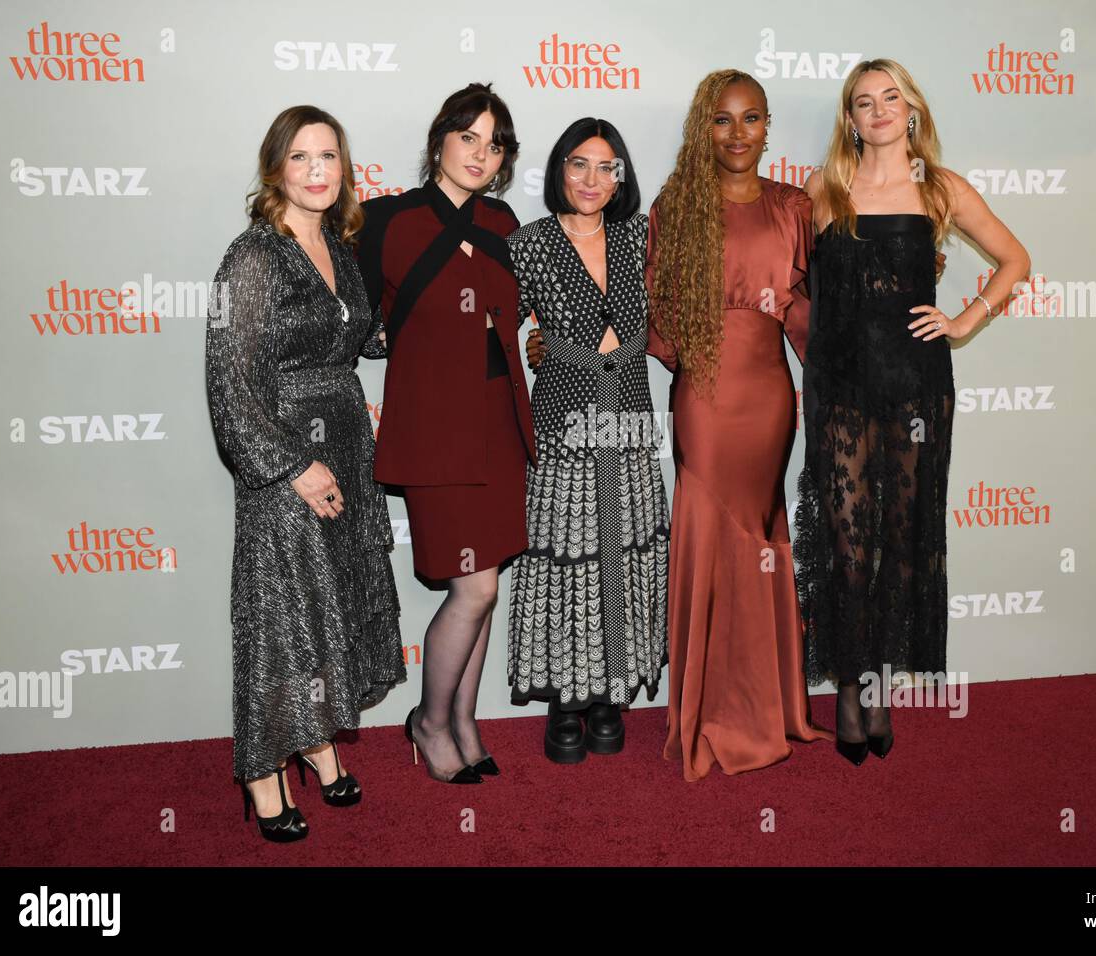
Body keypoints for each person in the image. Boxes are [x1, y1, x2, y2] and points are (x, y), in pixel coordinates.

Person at [794, 58, 1030, 764]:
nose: (879, 110)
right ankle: (848, 690)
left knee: (900, 543)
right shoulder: (824, 189)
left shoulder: (942, 189)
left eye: (891, 97)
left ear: (912, 108)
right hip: (838, 386)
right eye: (863, 102)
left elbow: (1015, 259)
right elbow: (794, 280)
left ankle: (880, 688)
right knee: (848, 547)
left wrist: (966, 317)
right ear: (850, 119)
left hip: (915, 387)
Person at [205, 105, 406, 841]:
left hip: (348, 447)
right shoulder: (254, 257)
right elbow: (230, 386)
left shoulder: (342, 249)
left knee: (326, 606)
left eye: (331, 157)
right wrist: (293, 465)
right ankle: (262, 771)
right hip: (285, 460)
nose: (319, 171)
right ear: (275, 169)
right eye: (302, 157)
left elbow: (361, 335)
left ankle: (317, 743)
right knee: (280, 616)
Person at [644, 69, 834, 781]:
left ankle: (767, 706)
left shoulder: (793, 207)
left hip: (768, 397)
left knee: (761, 535)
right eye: (722, 121)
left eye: (751, 119)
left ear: (768, 125)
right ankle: (707, 714)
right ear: (705, 127)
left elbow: (814, 309)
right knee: (706, 532)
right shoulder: (677, 205)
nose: (737, 134)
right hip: (704, 397)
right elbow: (658, 311)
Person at [355, 83, 535, 784]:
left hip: (498, 427)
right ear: (440, 141)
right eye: (469, 138)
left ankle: (463, 719)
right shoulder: (385, 221)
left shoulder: (505, 223)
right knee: (476, 589)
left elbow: (517, 321)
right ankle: (429, 721)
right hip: (435, 433)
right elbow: (353, 324)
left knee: (486, 583)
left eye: (494, 144)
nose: (479, 154)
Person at [508, 119, 670, 764]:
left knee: (623, 553)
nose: (592, 180)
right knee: (565, 559)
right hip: (563, 425)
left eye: (608, 168)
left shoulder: (640, 238)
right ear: (558, 170)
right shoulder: (530, 245)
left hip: (628, 421)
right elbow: (489, 331)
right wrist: (530, 344)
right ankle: (566, 701)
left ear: (623, 177)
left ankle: (610, 694)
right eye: (579, 165)